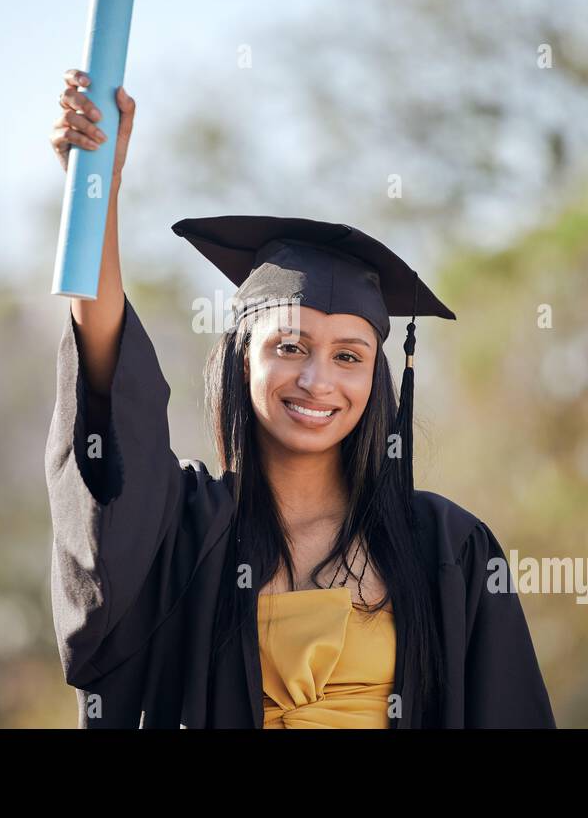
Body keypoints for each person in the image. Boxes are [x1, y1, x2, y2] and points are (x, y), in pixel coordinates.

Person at [45, 68, 556, 729]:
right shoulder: (188, 536)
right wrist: (96, 192)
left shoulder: (448, 550)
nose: (318, 381)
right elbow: (113, 391)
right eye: (289, 347)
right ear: (240, 358)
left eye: (349, 356)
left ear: (377, 379)